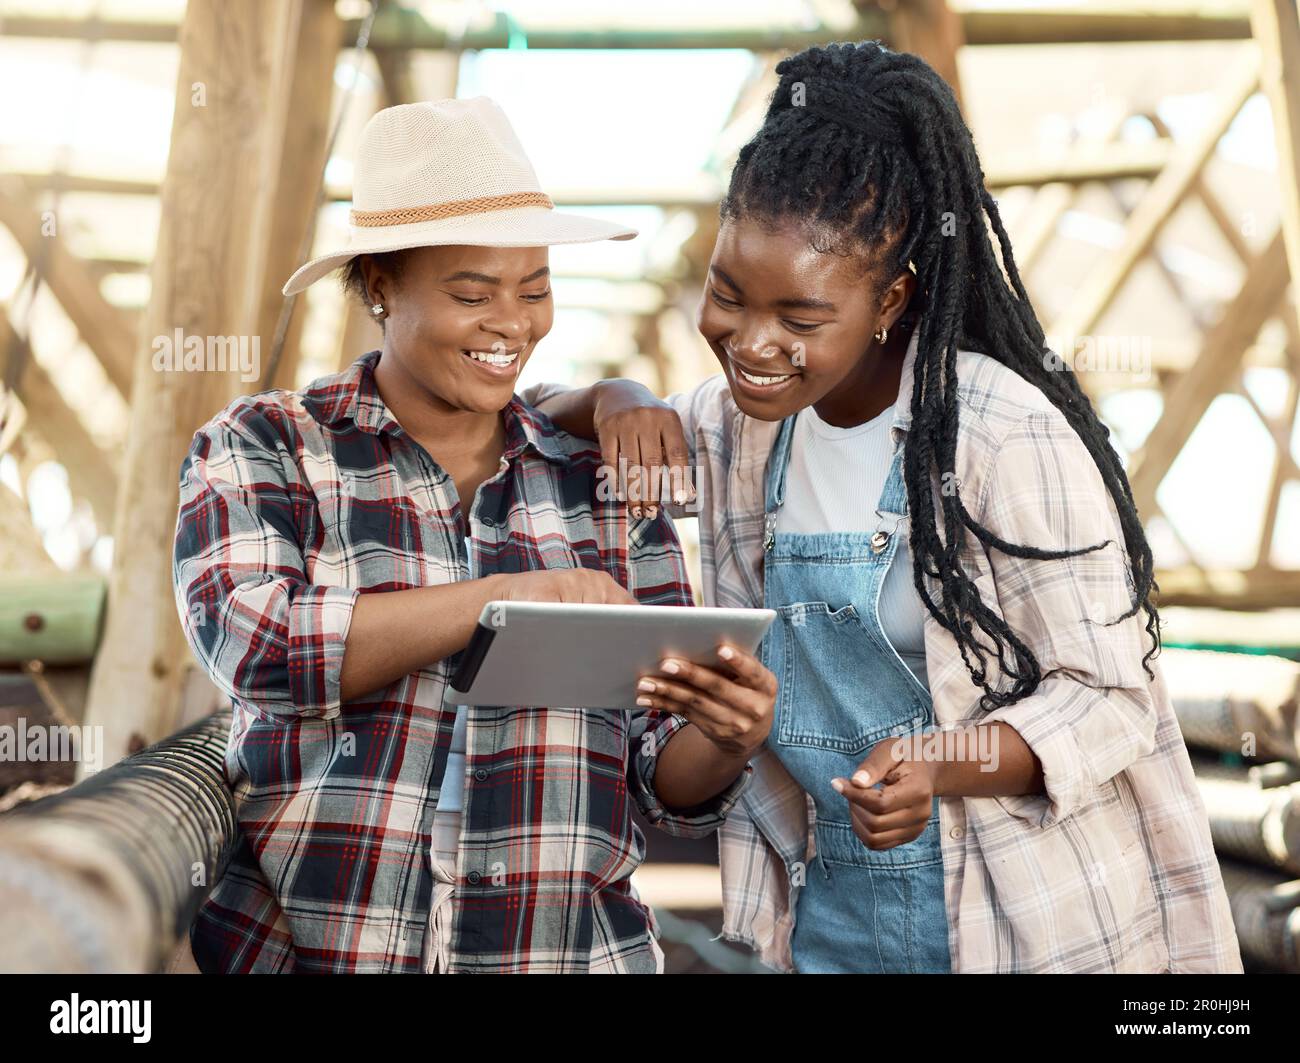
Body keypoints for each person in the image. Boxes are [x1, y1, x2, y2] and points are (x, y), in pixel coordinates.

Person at [531, 42, 1241, 973]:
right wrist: (613, 394)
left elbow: (1109, 699)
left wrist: (941, 763)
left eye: (801, 319)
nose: (751, 343)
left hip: (1026, 916)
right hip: (833, 912)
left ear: (889, 300)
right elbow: (528, 420)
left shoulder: (997, 433)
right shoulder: (737, 431)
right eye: (726, 295)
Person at [173, 97, 776, 974]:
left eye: (535, 290)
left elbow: (659, 778)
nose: (514, 324)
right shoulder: (267, 446)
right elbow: (258, 642)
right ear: (379, 285)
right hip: (321, 952)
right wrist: (501, 600)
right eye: (472, 292)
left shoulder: (600, 482)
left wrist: (724, 734)